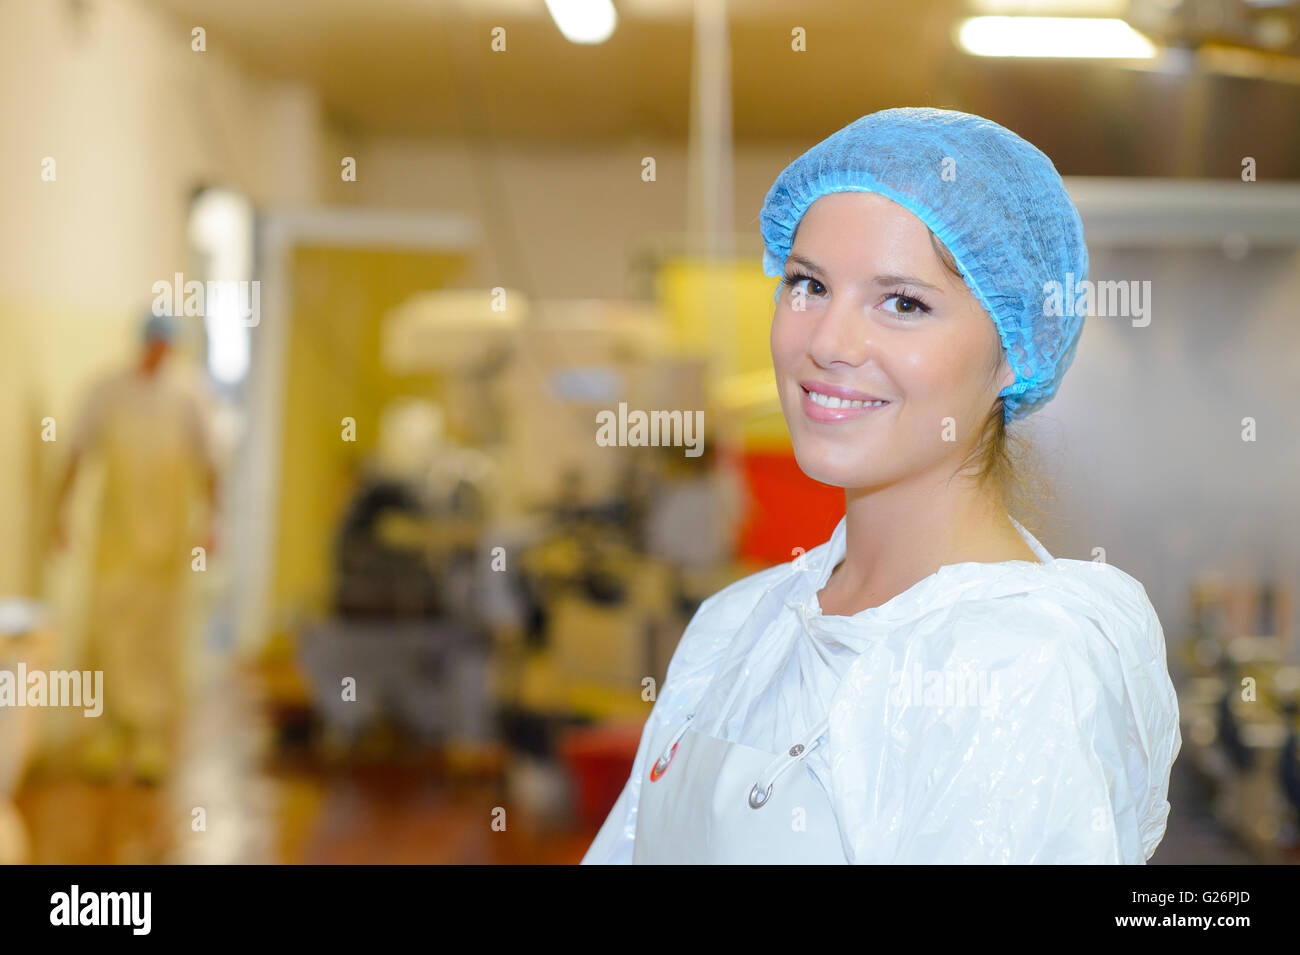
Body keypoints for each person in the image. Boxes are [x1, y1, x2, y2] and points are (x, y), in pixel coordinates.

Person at [581, 107, 1181, 864]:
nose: (828, 342)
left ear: (1013, 353)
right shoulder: (737, 628)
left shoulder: (1014, 669)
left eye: (903, 302)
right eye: (808, 284)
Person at [52, 312, 218, 784]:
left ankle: (150, 738)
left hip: (166, 544)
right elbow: (77, 454)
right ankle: (107, 732)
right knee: (107, 627)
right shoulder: (106, 392)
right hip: (116, 539)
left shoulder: (189, 397)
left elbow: (211, 465)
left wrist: (213, 522)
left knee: (157, 635)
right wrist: (58, 516)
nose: (157, 353)